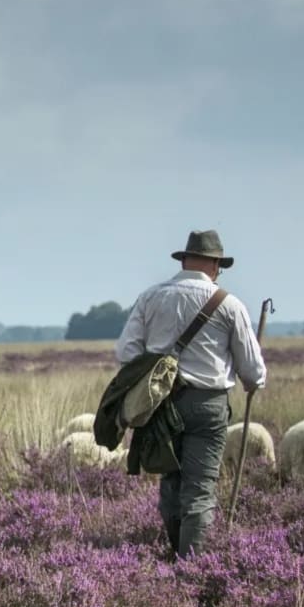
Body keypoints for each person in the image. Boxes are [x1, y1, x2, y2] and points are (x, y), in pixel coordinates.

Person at [114, 230, 267, 559]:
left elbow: (126, 351)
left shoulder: (151, 298)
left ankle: (176, 556)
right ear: (214, 265)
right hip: (208, 406)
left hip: (160, 402)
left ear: (184, 260)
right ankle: (193, 568)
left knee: (171, 480)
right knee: (199, 489)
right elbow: (253, 370)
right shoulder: (230, 305)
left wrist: (153, 371)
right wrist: (252, 382)